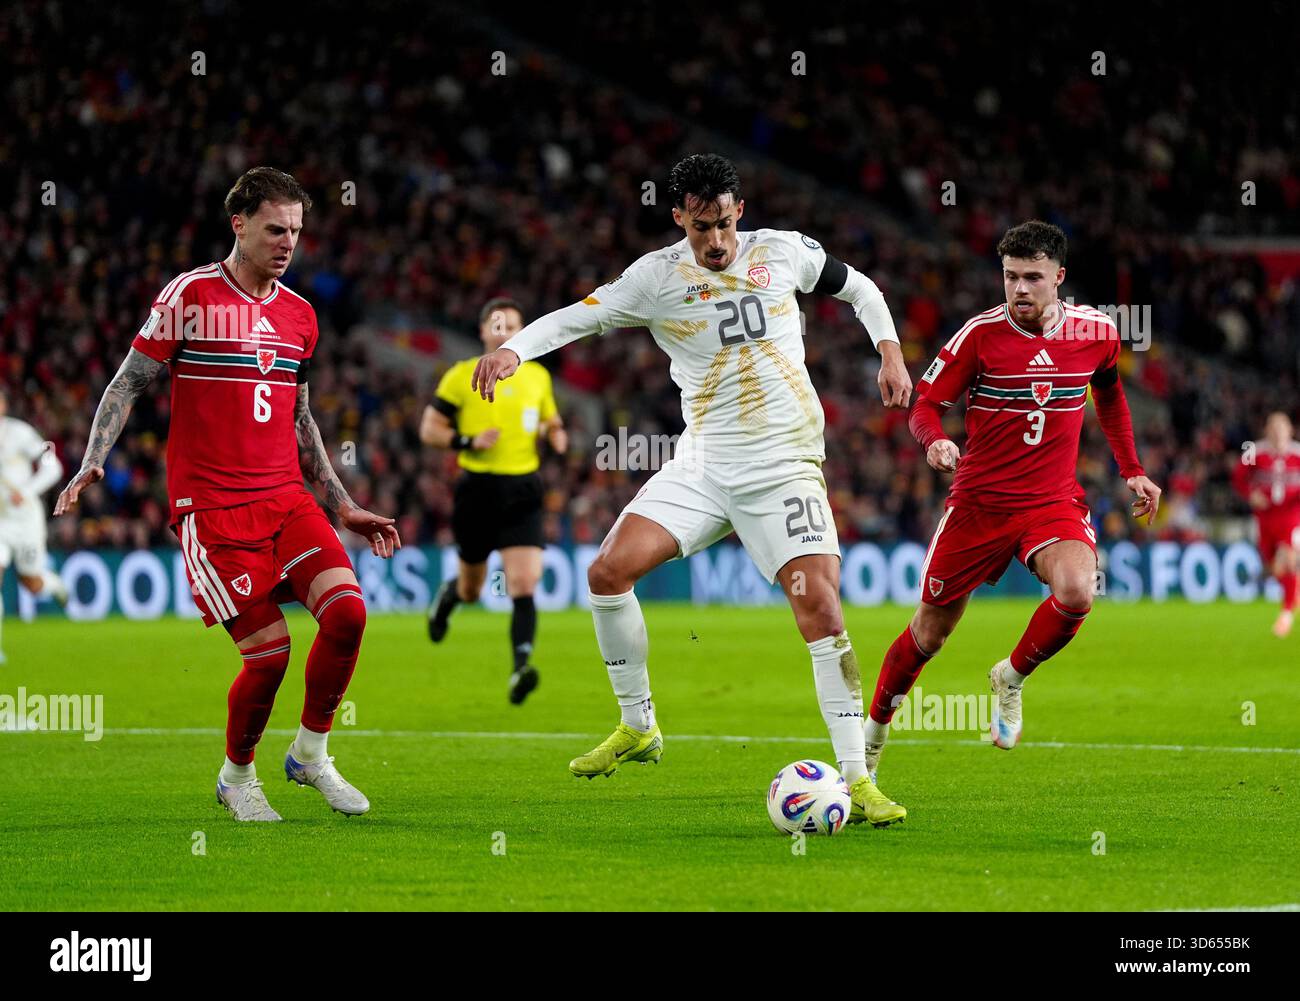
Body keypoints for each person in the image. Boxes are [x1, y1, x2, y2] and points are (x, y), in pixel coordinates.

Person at [471, 153, 913, 827]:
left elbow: (862, 289)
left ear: (741, 211)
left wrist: (888, 349)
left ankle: (858, 778)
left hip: (784, 464)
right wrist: (516, 350)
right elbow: (578, 316)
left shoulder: (782, 253)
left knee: (821, 609)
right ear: (679, 216)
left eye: (726, 222)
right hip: (704, 464)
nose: (715, 239)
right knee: (606, 572)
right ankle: (638, 723)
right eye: (702, 225)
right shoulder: (656, 277)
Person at [55, 167, 401, 822]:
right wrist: (92, 460)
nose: (287, 242)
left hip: (287, 499)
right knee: (269, 654)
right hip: (211, 510)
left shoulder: (301, 316)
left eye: (296, 230)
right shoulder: (190, 296)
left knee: (349, 614)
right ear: (238, 224)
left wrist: (342, 502)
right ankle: (237, 774)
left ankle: (310, 754)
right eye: (275, 229)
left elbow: (300, 418)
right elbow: (129, 383)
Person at [865, 220, 1161, 806]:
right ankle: (868, 744)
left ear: (1059, 278)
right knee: (929, 634)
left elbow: (1110, 393)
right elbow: (927, 404)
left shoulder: (1097, 332)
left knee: (1078, 590)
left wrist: (1131, 468)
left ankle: (1011, 676)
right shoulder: (979, 336)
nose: (1019, 288)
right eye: (1009, 276)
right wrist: (934, 442)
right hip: (978, 505)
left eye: (1032, 277)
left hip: (1051, 502)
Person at [420, 297, 567, 703]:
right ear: (483, 331)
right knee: (473, 589)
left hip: (523, 489)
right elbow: (429, 429)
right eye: (497, 325)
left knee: (523, 583)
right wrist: (466, 441)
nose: (504, 332)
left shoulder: (538, 377)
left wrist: (557, 434)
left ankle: (521, 668)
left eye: (513, 326)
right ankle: (451, 596)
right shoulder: (460, 375)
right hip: (478, 489)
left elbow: (551, 421)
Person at [0, 388, 69, 662]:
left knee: (31, 582)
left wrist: (26, 491)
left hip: (26, 519)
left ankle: (55, 586)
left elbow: (53, 467)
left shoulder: (20, 433)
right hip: (0, 521)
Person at [1232, 411, 1300, 637]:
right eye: (1274, 428)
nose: (1278, 432)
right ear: (1267, 431)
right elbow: (1238, 478)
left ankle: (1286, 614)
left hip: (1291, 517)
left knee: (1287, 560)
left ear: (1290, 430)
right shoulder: (1254, 451)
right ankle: (1293, 589)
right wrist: (1250, 494)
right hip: (1265, 519)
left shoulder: (1297, 454)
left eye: (1282, 428)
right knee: (1275, 566)